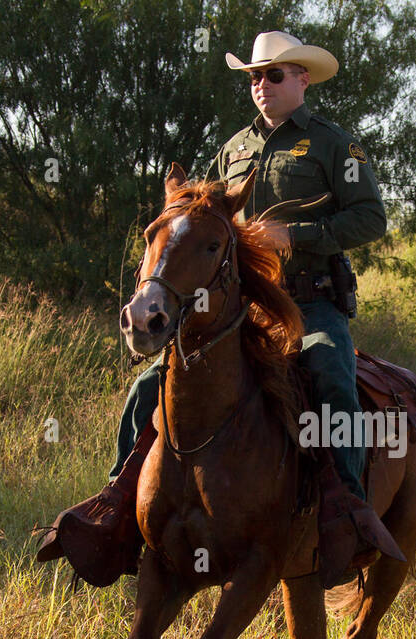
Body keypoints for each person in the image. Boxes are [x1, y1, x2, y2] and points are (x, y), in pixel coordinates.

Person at [37, 30, 397, 587]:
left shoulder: (333, 145)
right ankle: (118, 505)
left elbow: (371, 219)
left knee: (331, 374)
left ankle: (344, 509)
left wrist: (293, 234)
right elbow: (204, 224)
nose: (261, 85)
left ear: (302, 79)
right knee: (150, 386)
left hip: (310, 304)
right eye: (255, 76)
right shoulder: (233, 150)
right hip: (239, 309)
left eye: (273, 75)